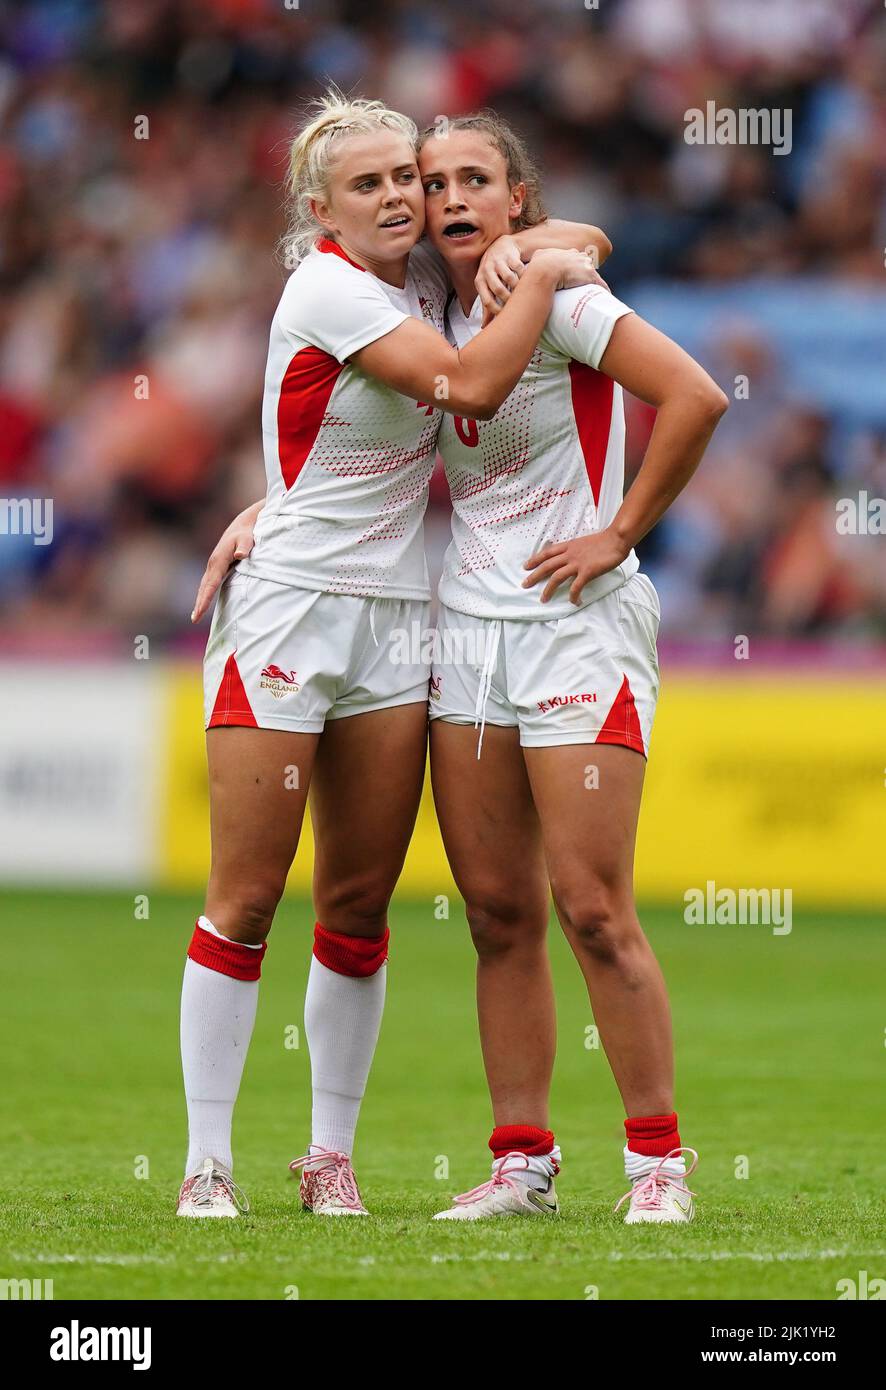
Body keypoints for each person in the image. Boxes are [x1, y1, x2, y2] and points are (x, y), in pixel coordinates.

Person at [206, 110, 728, 1226]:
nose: (439, 196)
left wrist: (621, 532)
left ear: (513, 197)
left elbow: (696, 395)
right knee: (495, 910)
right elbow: (377, 431)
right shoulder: (428, 306)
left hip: (575, 624)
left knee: (592, 907)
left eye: (467, 179)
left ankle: (657, 1163)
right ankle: (522, 1162)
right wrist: (272, 508)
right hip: (459, 634)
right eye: (424, 180)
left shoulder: (564, 298)